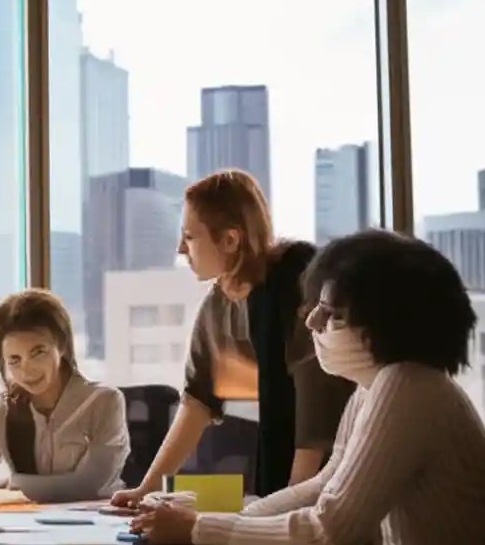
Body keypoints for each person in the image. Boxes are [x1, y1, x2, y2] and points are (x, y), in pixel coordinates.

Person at [131, 230, 485, 545]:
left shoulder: (408, 386)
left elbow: (329, 530)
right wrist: (214, 518)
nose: (311, 322)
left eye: (331, 312)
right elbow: (322, 488)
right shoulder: (372, 389)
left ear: (388, 319)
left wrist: (200, 528)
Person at [111, 170, 355, 505]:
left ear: (229, 240)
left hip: (335, 479)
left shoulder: (297, 285)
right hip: (287, 488)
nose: (181, 249)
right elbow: (197, 402)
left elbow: (314, 414)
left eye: (189, 237)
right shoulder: (218, 304)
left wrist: (287, 506)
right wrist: (147, 488)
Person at [0, 289, 130, 509]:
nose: (27, 370)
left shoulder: (104, 402)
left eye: (38, 352)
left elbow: (90, 485)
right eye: (14, 360)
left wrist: (10, 485)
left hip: (97, 527)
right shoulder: (1, 413)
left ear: (60, 346)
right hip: (28, 528)